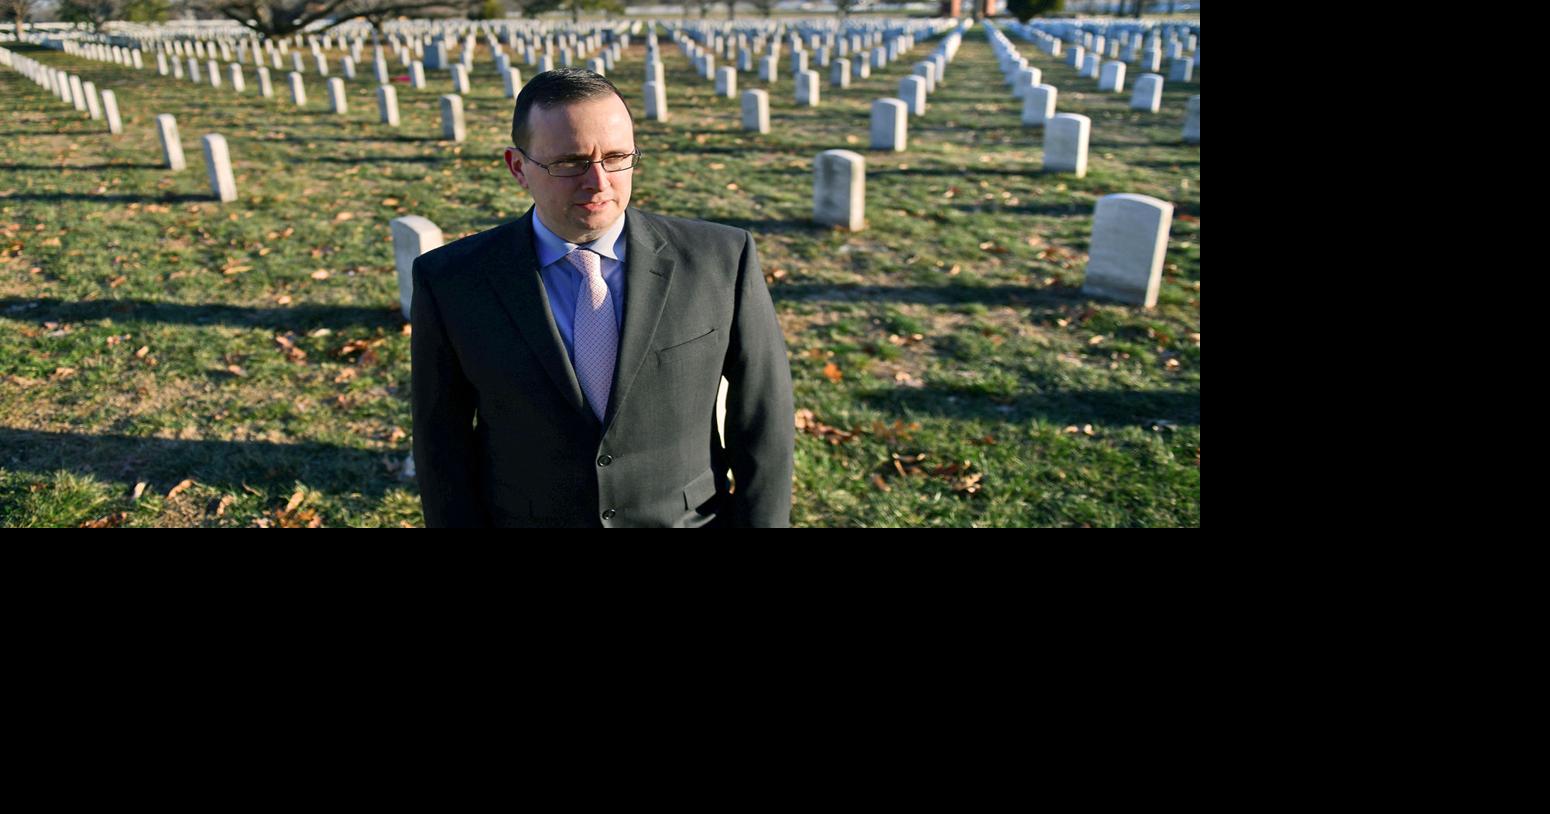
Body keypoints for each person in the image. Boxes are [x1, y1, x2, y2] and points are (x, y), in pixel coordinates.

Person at [410, 69, 794, 528]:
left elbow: (763, 423)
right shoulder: (452, 280)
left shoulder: (720, 260)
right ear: (518, 168)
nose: (599, 183)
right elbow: (442, 445)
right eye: (570, 162)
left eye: (616, 158)